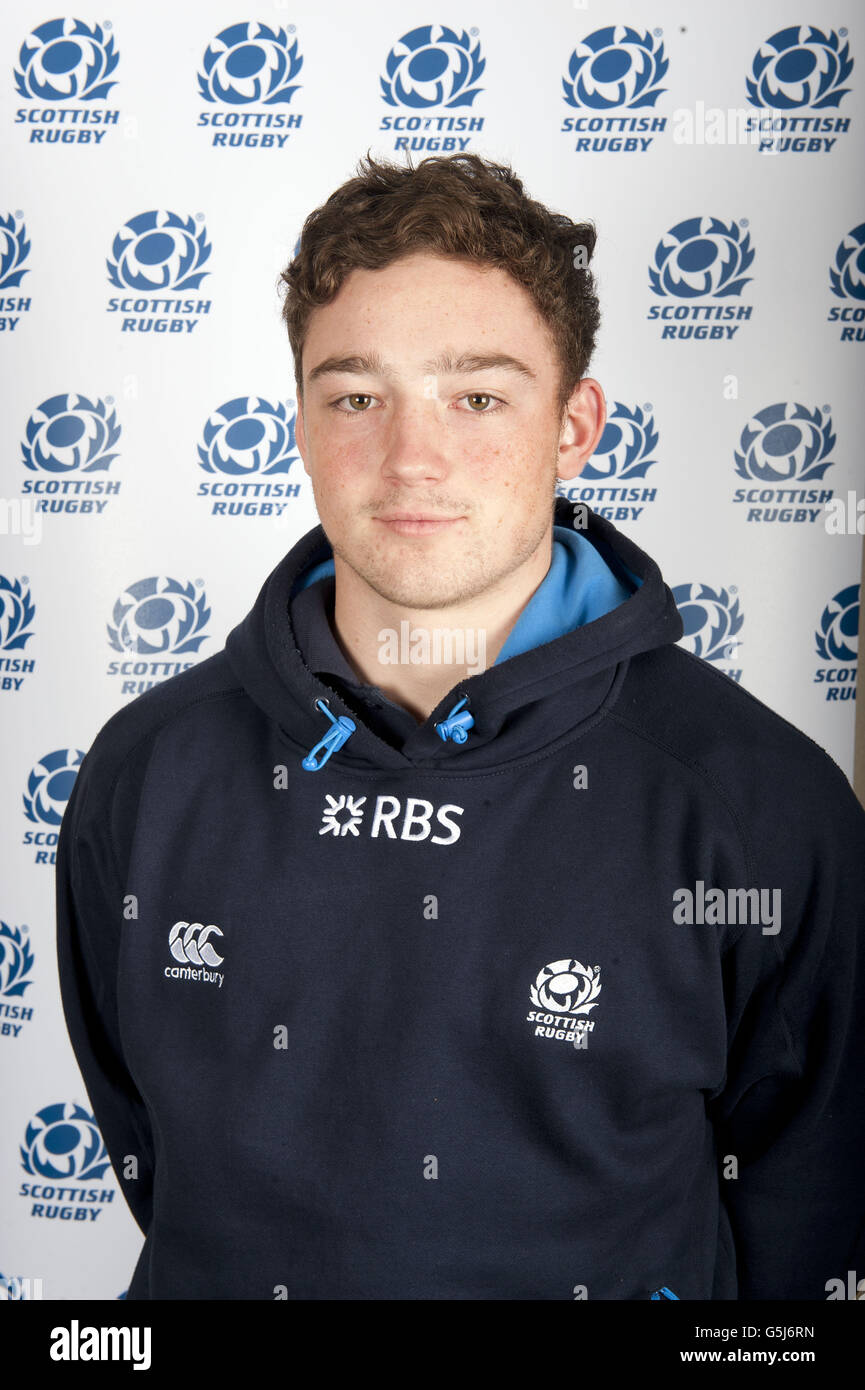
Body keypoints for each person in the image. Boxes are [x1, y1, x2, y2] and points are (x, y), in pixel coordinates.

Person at [56, 152, 865, 1300]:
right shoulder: (151, 769)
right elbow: (152, 1143)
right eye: (355, 397)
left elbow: (804, 1206)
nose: (410, 459)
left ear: (574, 426)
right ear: (297, 421)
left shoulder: (755, 800)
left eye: (476, 397)